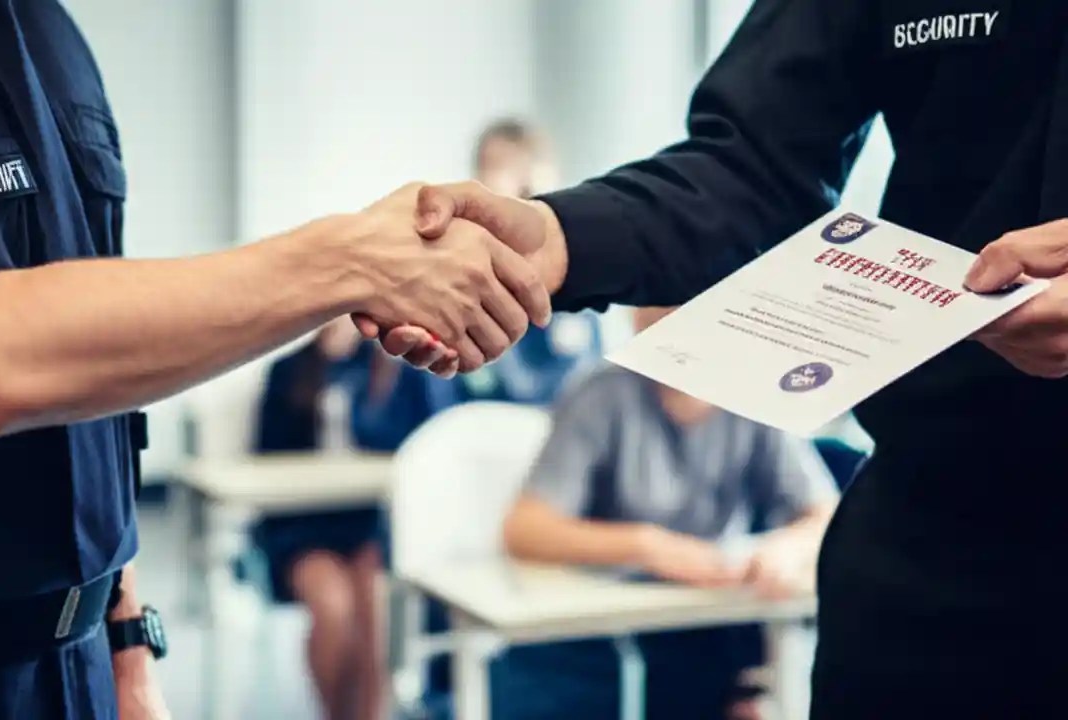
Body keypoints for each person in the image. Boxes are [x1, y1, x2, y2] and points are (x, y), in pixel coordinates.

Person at [0, 3, 550, 718]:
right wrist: (351, 259)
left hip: (78, 664)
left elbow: (102, 391)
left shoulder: (50, 35)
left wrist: (128, 648)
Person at [364, 1, 1068, 715]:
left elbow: (806, 510)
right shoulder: (605, 400)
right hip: (933, 544)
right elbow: (752, 164)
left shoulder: (747, 415)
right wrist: (559, 233)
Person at [493, 306, 837, 720]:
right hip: (601, 639)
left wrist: (784, 550)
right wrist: (645, 546)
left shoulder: (756, 397)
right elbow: (526, 529)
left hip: (713, 630)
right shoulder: (600, 394)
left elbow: (822, 513)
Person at [250, 320, 458, 720]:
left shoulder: (383, 365)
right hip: (302, 525)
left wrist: (387, 363)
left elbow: (411, 440)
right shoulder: (288, 370)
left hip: (365, 520)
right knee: (333, 609)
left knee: (374, 610)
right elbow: (265, 461)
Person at [461, 118, 603, 405]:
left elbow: (582, 381)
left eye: (522, 169)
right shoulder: (464, 279)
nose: (512, 184)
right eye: (497, 168)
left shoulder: (575, 282)